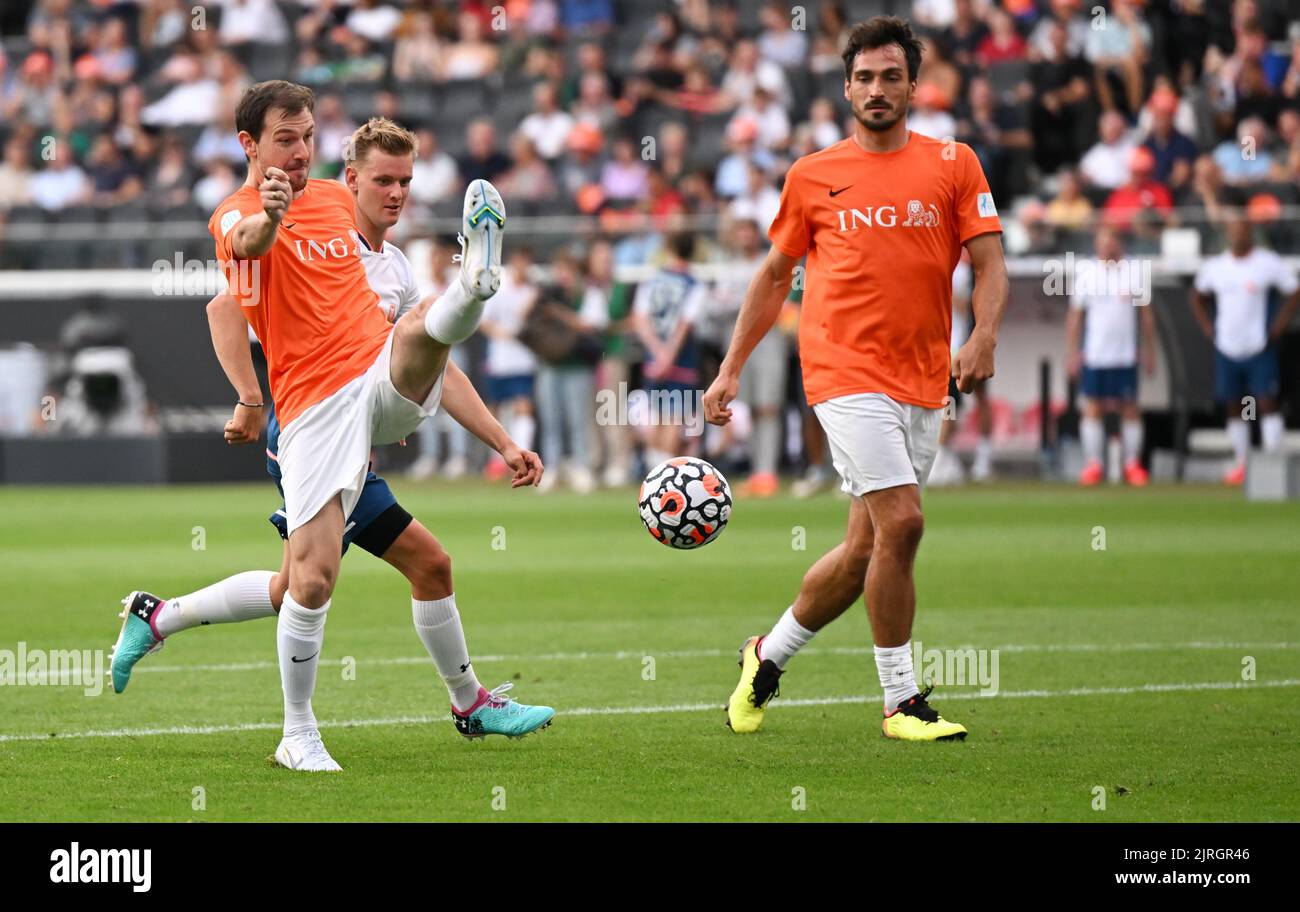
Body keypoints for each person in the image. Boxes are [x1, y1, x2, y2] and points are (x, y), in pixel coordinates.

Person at [114, 83, 550, 771]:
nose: (300, 149)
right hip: (312, 413)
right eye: (286, 138)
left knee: (416, 334)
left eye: (309, 135)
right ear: (250, 145)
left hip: (375, 383)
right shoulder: (234, 214)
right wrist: (250, 398)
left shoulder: (343, 211)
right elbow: (230, 291)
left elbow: (436, 362)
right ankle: (290, 727)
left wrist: (502, 441)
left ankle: (474, 281)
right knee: (308, 583)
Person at [704, 17, 1008, 741]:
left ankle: (765, 656)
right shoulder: (812, 174)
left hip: (924, 380)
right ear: (846, 88)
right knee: (904, 521)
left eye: (891, 77)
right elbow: (775, 275)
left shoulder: (955, 163)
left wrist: (985, 334)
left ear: (912, 86)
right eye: (864, 78)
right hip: (842, 372)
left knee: (865, 552)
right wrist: (730, 368)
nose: (877, 89)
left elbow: (992, 263)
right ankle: (901, 703)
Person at [1191, 211, 1300, 485]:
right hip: (1228, 345)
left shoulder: (1267, 263)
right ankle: (1242, 463)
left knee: (1265, 401)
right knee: (1234, 405)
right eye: (1234, 231)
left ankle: (1272, 461)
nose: (1239, 235)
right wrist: (1208, 327)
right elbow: (1197, 296)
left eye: (1243, 230)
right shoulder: (1217, 266)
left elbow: (1293, 291)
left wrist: (1278, 327)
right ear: (1228, 235)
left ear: (1251, 233)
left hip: (1259, 345)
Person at [1065, 225, 1156, 486]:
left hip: (1125, 354)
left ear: (1120, 243)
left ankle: (1131, 464)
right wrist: (1072, 353)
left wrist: (1150, 351)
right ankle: (1093, 464)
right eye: (1101, 241)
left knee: (1129, 407)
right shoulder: (1086, 272)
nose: (1106, 246)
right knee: (1092, 407)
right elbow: (1075, 316)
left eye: (1111, 241)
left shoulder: (1134, 270)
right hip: (1095, 354)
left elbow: (1146, 315)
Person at [632, 233, 706, 467]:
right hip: (681, 360)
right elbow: (686, 323)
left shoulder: (652, 281)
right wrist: (669, 354)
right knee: (675, 416)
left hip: (654, 359)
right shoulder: (695, 284)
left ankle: (654, 468)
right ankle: (664, 471)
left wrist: (656, 351)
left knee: (657, 416)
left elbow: (639, 318)